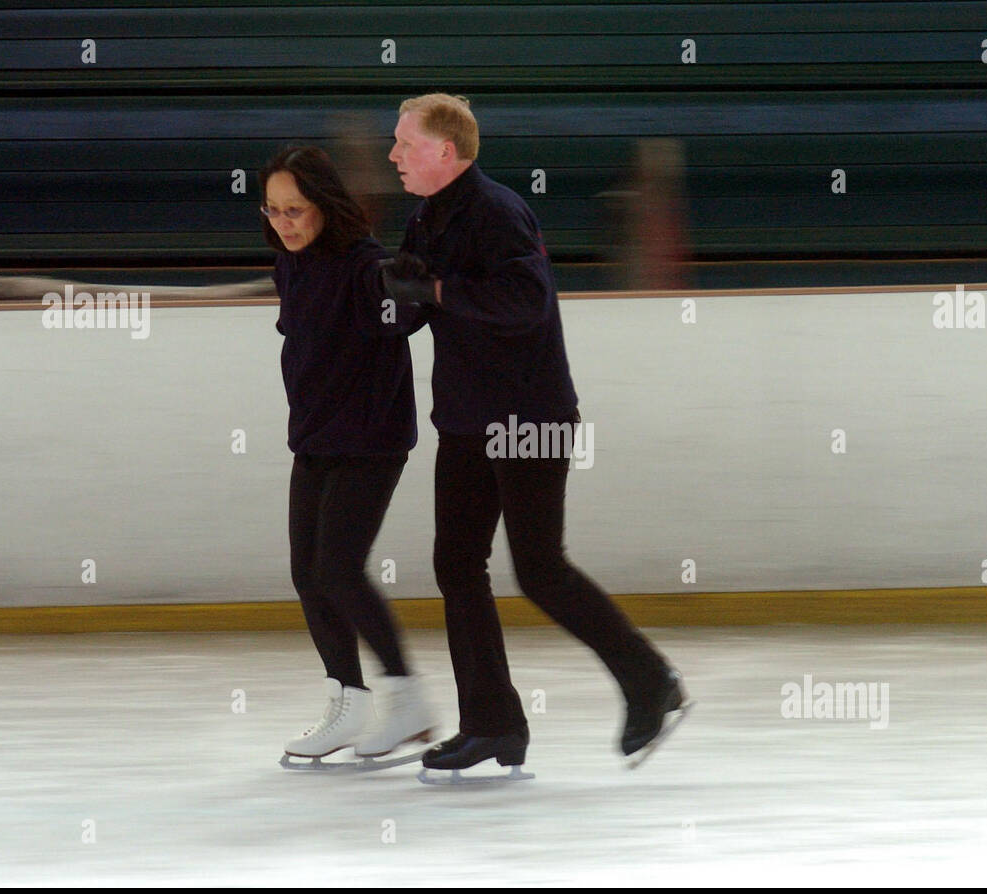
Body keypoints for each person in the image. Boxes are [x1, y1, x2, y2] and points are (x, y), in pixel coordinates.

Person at [380, 94, 689, 773]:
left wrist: (433, 293)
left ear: (446, 152)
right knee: (456, 564)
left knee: (540, 568)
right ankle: (493, 724)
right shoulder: (428, 217)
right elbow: (415, 310)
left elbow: (525, 302)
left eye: (405, 143)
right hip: (467, 419)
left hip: (529, 416)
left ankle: (651, 680)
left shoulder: (496, 211)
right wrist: (394, 302)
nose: (394, 154)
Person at [260, 145, 436, 762]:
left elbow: (412, 307)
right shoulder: (291, 266)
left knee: (339, 567)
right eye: (275, 210)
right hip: (313, 438)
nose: (285, 222)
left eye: (297, 209)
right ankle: (349, 701)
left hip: (371, 440)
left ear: (325, 206)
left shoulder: (365, 268)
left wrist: (419, 279)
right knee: (307, 573)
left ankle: (408, 701)